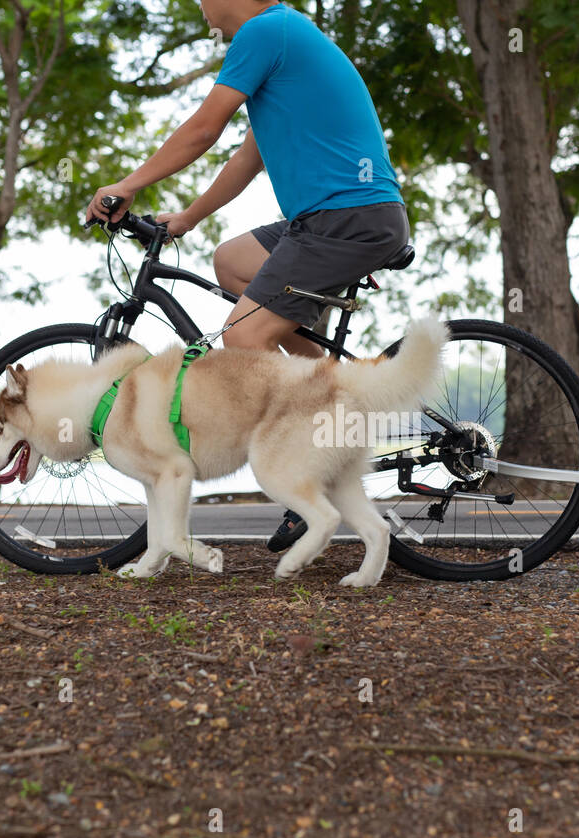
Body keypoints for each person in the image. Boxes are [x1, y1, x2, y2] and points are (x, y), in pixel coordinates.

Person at [86, 0, 409, 552]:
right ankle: (337, 410)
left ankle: (316, 458)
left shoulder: (266, 31)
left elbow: (203, 128)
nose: (200, 9)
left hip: (346, 218)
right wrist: (187, 217)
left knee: (243, 337)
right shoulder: (283, 43)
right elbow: (245, 159)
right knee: (231, 261)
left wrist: (129, 184)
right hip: (326, 220)